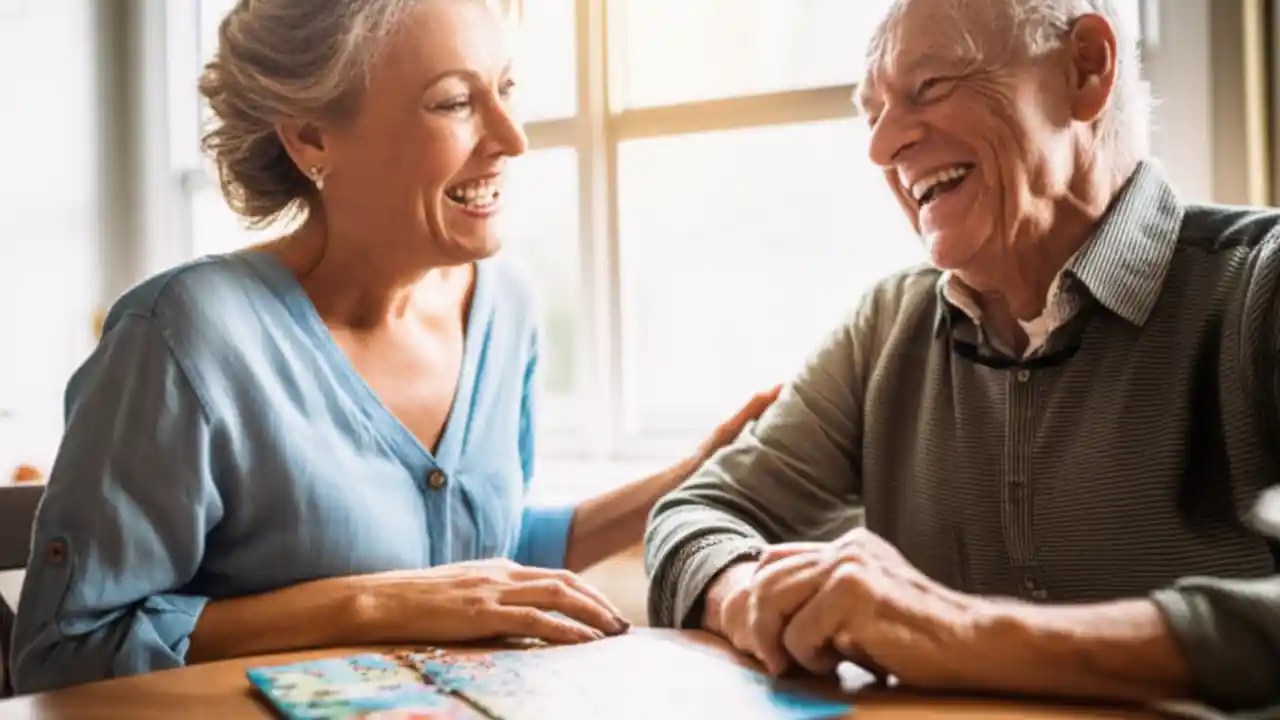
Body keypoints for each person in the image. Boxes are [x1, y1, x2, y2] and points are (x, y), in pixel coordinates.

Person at [10, 0, 776, 694]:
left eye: (505, 90)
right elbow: (64, 650)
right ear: (312, 135)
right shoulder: (181, 340)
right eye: (453, 102)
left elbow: (491, 554)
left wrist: (695, 475)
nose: (511, 139)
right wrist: (373, 602)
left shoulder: (505, 309)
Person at [645, 0, 1280, 712]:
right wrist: (752, 598)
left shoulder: (1263, 287)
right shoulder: (883, 326)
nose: (881, 147)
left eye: (930, 87)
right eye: (871, 110)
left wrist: (957, 631)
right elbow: (698, 512)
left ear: (1085, 70)